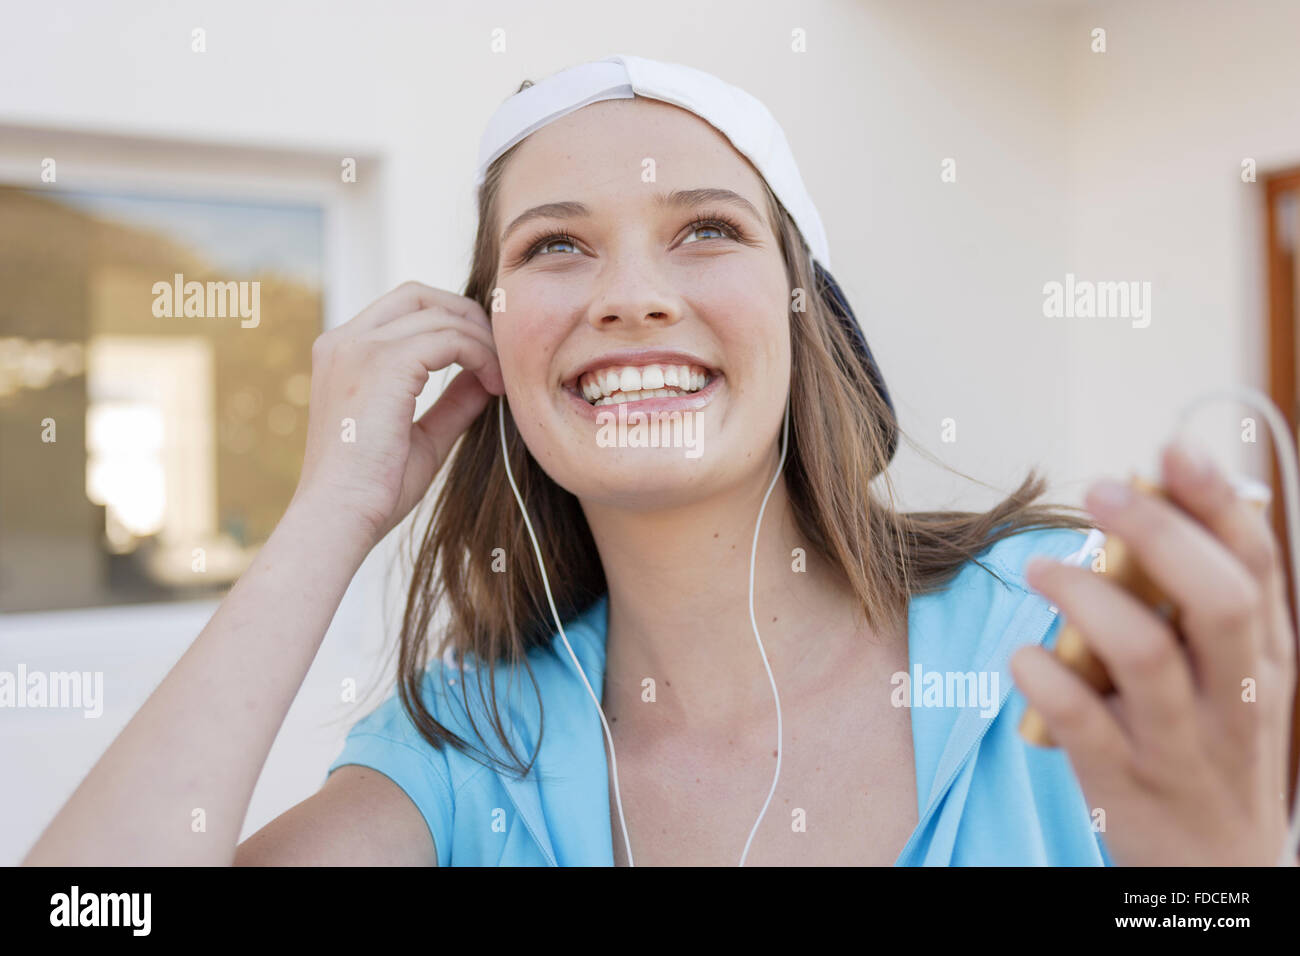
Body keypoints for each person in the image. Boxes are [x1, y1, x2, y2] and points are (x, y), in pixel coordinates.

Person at [22, 56, 1295, 867]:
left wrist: (1222, 866)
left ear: (812, 320)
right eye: (556, 247)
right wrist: (328, 514)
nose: (630, 295)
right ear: (492, 347)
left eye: (704, 229)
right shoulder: (467, 765)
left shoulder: (1065, 630)